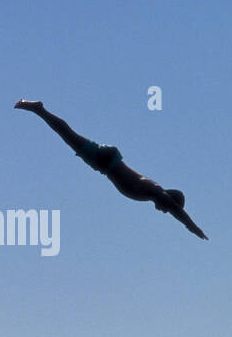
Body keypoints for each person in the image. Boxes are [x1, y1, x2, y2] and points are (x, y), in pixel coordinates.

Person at [15, 99, 208, 240]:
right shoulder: (156, 191)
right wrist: (193, 228)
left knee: (68, 136)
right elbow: (177, 211)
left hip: (106, 163)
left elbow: (174, 209)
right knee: (67, 135)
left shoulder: (151, 193)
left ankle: (40, 111)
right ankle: (39, 109)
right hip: (106, 161)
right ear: (170, 200)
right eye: (168, 209)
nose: (164, 212)